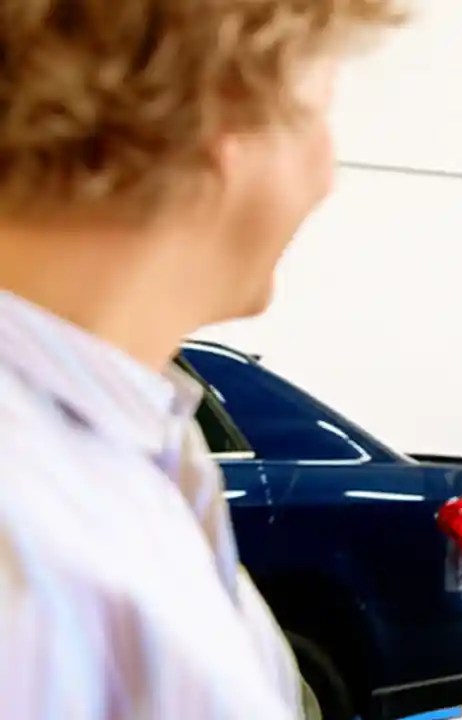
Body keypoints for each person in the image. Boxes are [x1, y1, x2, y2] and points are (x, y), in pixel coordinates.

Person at [0, 2, 402, 718]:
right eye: (318, 108)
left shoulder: (148, 444)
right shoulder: (29, 536)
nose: (327, 174)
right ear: (223, 104)